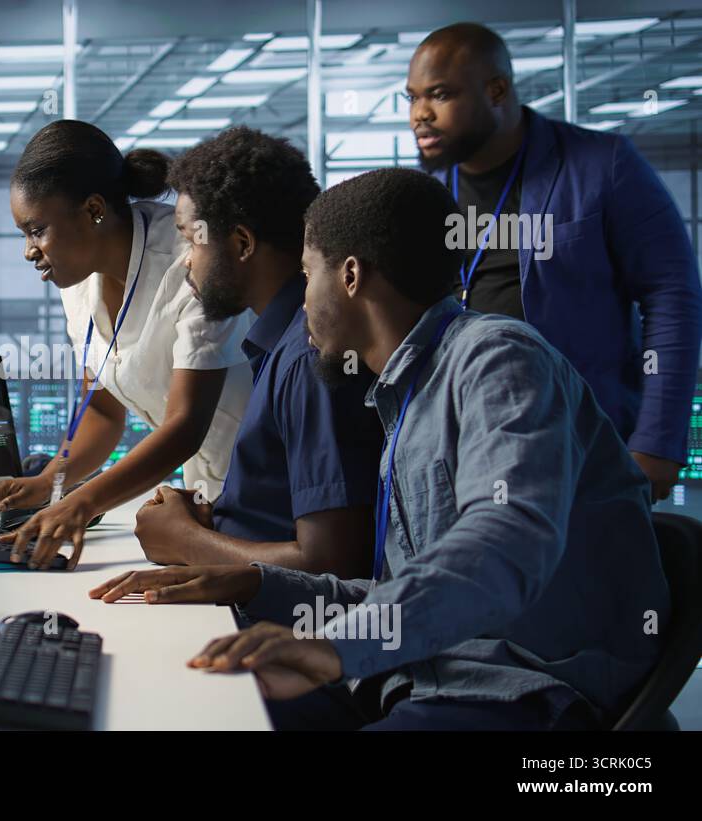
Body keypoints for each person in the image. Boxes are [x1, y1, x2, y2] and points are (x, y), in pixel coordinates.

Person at [91, 168, 671, 731]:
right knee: (193, 706)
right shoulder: (401, 396)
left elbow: (506, 541)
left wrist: (337, 645)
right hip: (417, 672)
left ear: (348, 276)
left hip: (520, 688)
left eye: (307, 272)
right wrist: (251, 583)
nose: (302, 299)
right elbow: (402, 594)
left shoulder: (498, 360)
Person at [406, 22, 702, 500]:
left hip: (578, 445)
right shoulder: (422, 193)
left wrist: (659, 443)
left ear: (497, 89)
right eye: (412, 98)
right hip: (454, 447)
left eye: (439, 95)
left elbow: (673, 296)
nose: (420, 114)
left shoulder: (601, 164)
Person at [0, 120, 253, 570]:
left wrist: (80, 504)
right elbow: (102, 411)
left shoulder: (191, 263)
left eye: (37, 230)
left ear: (94, 210)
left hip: (264, 493)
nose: (28, 250)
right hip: (209, 493)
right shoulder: (76, 282)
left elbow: (186, 424)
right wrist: (48, 483)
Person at [133, 126, 381, 578]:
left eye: (192, 240)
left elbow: (332, 564)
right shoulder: (276, 344)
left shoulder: (309, 360)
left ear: (243, 244)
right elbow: (280, 517)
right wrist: (217, 520)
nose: (186, 260)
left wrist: (185, 541)